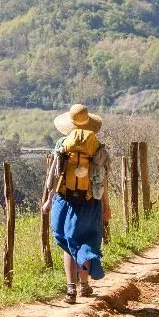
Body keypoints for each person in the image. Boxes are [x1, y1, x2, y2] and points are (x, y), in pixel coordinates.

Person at [41, 103, 111, 303]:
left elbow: (54, 175)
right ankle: (85, 286)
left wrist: (48, 201)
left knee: (68, 244)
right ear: (89, 124)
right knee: (85, 241)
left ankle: (71, 288)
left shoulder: (62, 144)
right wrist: (106, 205)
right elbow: (101, 179)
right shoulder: (97, 147)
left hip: (65, 199)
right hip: (89, 202)